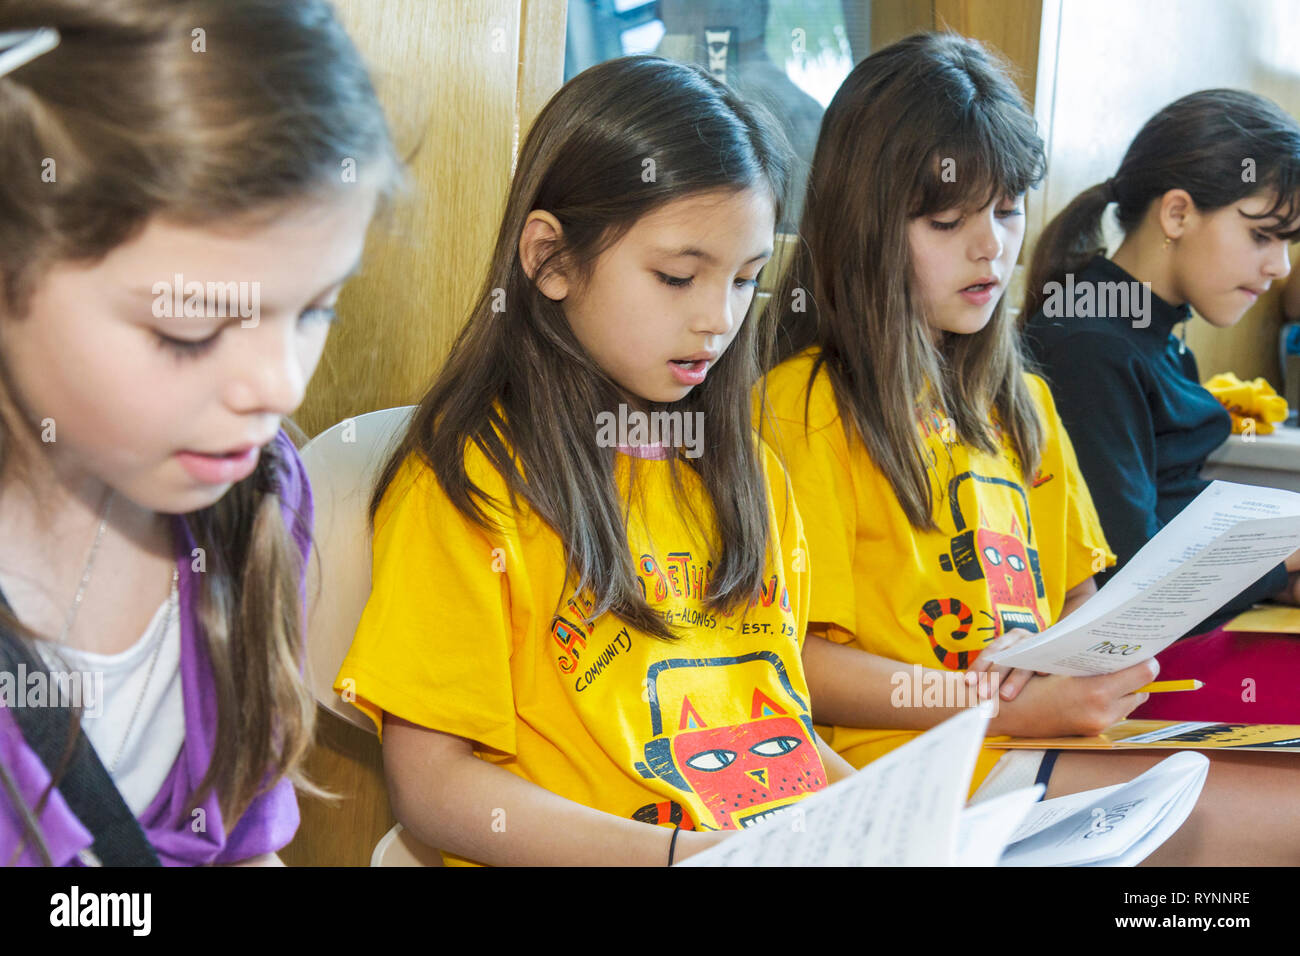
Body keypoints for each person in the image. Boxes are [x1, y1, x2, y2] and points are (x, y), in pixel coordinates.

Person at [760, 32, 1300, 865]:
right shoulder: (804, 406)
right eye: (948, 221)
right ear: (863, 228)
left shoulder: (1023, 401)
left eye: (1008, 210)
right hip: (913, 768)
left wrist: (1109, 664)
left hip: (1036, 745)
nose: (992, 247)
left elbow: (1083, 599)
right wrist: (1000, 706)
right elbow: (795, 661)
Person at [335, 55, 854, 867]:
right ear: (550, 259)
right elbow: (432, 788)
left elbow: (781, 729)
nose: (717, 321)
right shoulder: (471, 485)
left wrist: (879, 818)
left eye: (747, 280)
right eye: (677, 277)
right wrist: (681, 857)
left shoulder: (749, 472)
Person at [0, 0, 400, 866]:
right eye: (189, 331)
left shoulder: (258, 497)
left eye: (317, 307)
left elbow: (239, 845)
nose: (281, 387)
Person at [1023, 90, 1300, 722]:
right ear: (1176, 213)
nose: (1280, 266)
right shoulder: (1088, 346)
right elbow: (1125, 591)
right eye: (1262, 234)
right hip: (1128, 673)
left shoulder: (1153, 337)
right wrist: (1279, 556)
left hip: (1179, 645)